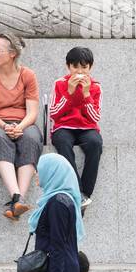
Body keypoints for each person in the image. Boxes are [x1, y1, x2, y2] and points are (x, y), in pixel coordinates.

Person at [0, 32, 43, 220]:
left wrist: (20, 126)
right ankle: (16, 196)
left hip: (24, 122)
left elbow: (32, 112)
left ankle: (18, 201)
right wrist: (6, 127)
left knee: (31, 138)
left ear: (12, 54)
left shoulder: (28, 75)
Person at [47, 46, 102, 210]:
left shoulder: (95, 87)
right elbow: (54, 113)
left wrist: (86, 95)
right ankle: (76, 192)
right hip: (64, 127)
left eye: (84, 67)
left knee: (95, 143)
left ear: (90, 68)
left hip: (87, 128)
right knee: (62, 142)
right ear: (68, 67)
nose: (79, 72)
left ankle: (85, 194)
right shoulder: (59, 84)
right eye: (75, 67)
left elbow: (95, 118)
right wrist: (69, 93)